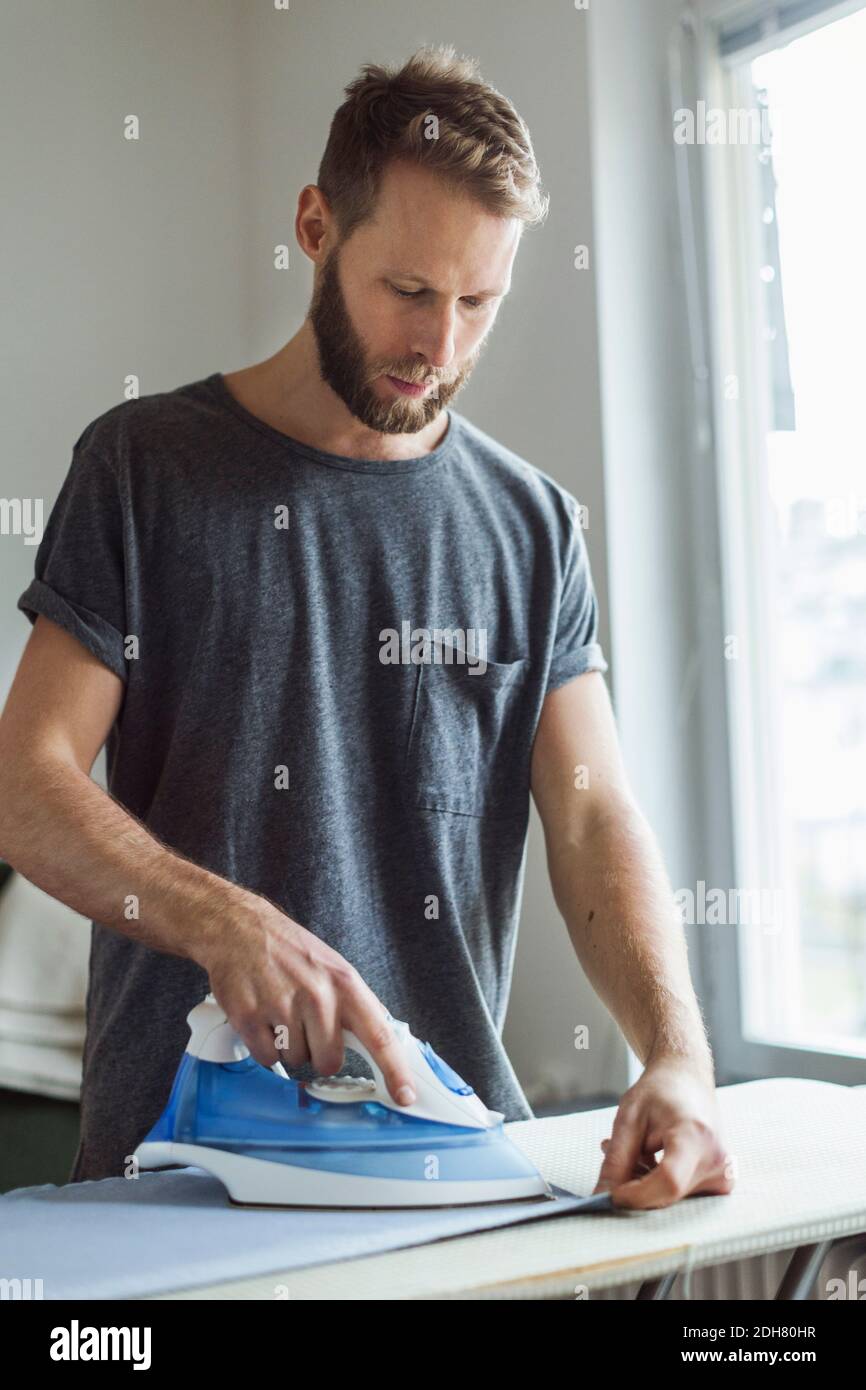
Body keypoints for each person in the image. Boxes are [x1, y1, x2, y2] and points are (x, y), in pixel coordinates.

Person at [0, 45, 732, 1208]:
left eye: (477, 303)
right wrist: (222, 921)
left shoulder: (530, 525)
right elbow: (25, 787)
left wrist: (678, 1058)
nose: (438, 349)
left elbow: (592, 813)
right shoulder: (145, 472)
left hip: (447, 1192)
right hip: (165, 1191)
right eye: (408, 291)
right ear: (314, 227)